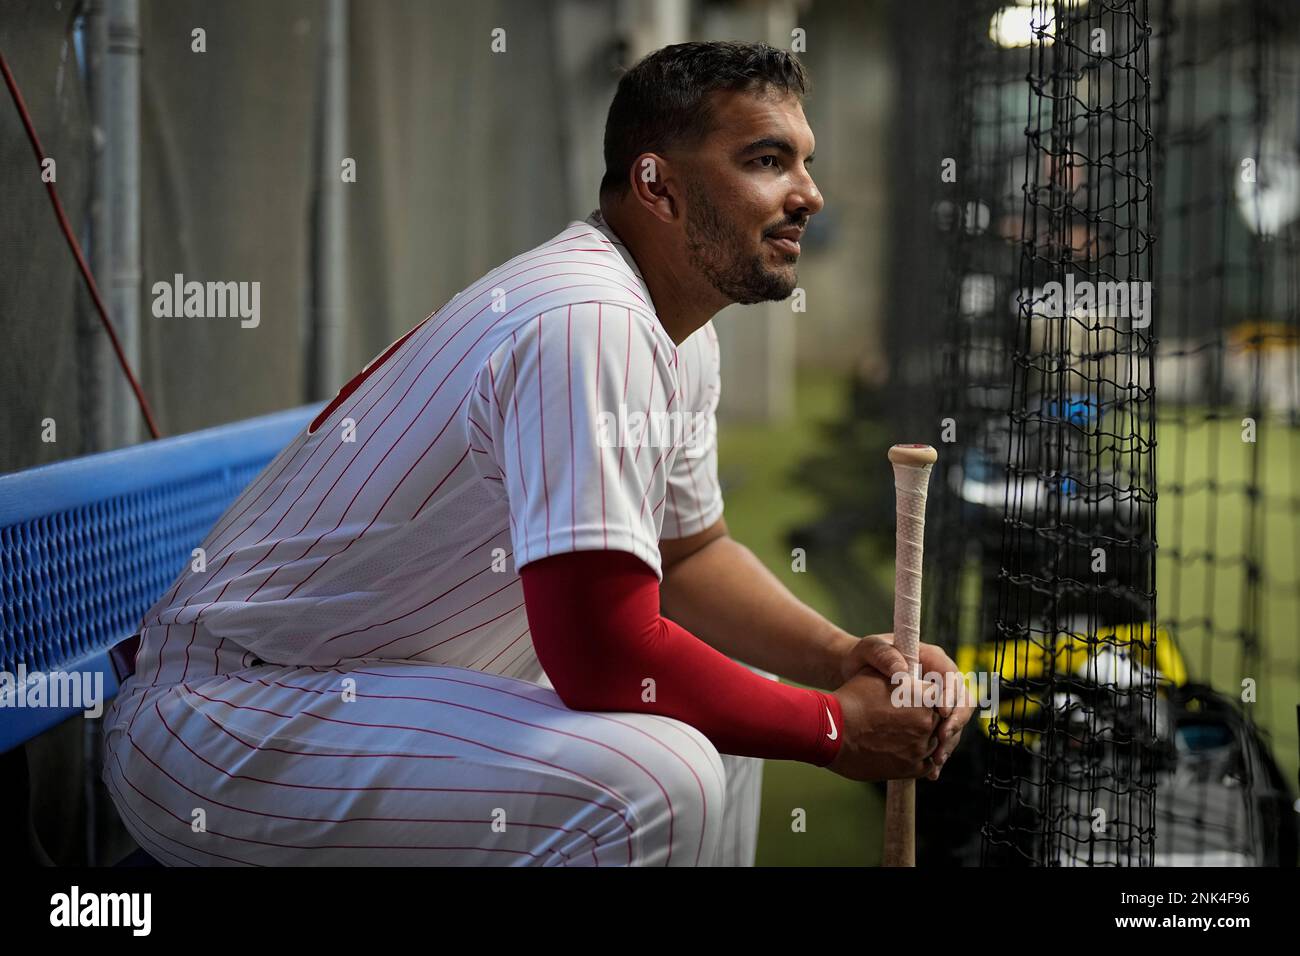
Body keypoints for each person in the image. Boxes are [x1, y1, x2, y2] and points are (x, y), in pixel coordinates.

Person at [101, 40, 973, 867]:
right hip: (227, 723)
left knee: (720, 707)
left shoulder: (676, 331)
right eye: (767, 160)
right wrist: (833, 729)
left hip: (366, 685)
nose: (809, 193)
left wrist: (837, 660)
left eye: (805, 162)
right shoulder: (587, 321)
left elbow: (688, 555)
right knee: (659, 781)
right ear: (657, 186)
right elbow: (604, 651)